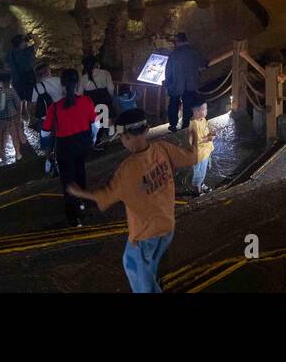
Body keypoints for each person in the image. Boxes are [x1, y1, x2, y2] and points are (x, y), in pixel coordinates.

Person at [65, 108, 197, 293]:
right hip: (167, 227)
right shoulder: (162, 149)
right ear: (146, 130)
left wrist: (79, 192)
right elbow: (192, 157)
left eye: (121, 137)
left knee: (134, 267)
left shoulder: (127, 170)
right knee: (151, 267)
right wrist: (194, 138)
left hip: (144, 236)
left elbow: (105, 196)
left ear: (126, 136)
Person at [42, 68, 97, 227]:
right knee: (80, 171)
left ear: (62, 85)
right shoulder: (87, 101)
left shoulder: (55, 107)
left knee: (67, 179)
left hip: (64, 146)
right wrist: (92, 140)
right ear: (77, 83)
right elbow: (95, 125)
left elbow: (45, 132)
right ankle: (82, 202)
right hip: (82, 143)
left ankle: (73, 215)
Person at [164, 32, 205, 132]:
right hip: (191, 83)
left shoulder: (173, 55)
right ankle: (185, 125)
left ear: (177, 42)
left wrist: (167, 82)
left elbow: (168, 70)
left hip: (176, 84)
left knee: (173, 103)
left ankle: (173, 125)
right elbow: (204, 64)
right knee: (188, 104)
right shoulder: (194, 52)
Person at [0, 73, 26, 165]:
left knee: (0, 138)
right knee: (15, 136)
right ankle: (17, 154)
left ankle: (2, 157)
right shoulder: (11, 91)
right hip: (11, 118)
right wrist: (19, 117)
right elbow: (18, 104)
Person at [81, 54, 116, 146]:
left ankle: (96, 140)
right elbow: (111, 88)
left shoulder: (83, 78)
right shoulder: (105, 73)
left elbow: (80, 93)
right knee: (105, 120)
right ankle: (108, 137)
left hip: (91, 102)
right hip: (104, 99)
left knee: (94, 122)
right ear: (96, 63)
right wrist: (111, 97)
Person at [186, 93, 216, 195]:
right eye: (204, 109)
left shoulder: (203, 119)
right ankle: (197, 191)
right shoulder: (194, 124)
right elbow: (198, 140)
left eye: (206, 108)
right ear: (196, 110)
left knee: (203, 171)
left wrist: (210, 134)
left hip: (205, 152)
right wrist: (209, 137)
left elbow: (205, 131)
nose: (206, 111)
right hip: (199, 154)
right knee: (198, 173)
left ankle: (201, 184)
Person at [8, 34, 37, 119]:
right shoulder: (26, 52)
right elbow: (38, 42)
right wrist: (31, 35)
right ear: (21, 43)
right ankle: (31, 119)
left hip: (16, 80)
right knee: (29, 99)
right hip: (28, 78)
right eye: (24, 41)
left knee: (19, 101)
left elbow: (7, 65)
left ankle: (19, 122)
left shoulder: (11, 53)